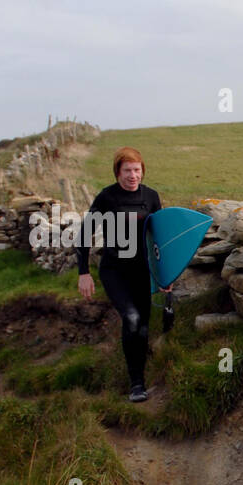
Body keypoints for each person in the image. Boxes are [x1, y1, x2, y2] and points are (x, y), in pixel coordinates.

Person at [74, 146, 169, 402]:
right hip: (115, 270)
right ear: (118, 172)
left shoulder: (151, 197)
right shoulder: (107, 198)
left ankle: (140, 364)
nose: (132, 175)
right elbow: (84, 234)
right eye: (127, 170)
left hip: (141, 271)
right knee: (132, 318)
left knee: (143, 326)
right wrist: (84, 272)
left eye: (137, 170)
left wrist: (165, 275)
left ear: (143, 171)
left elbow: (158, 240)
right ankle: (136, 384)